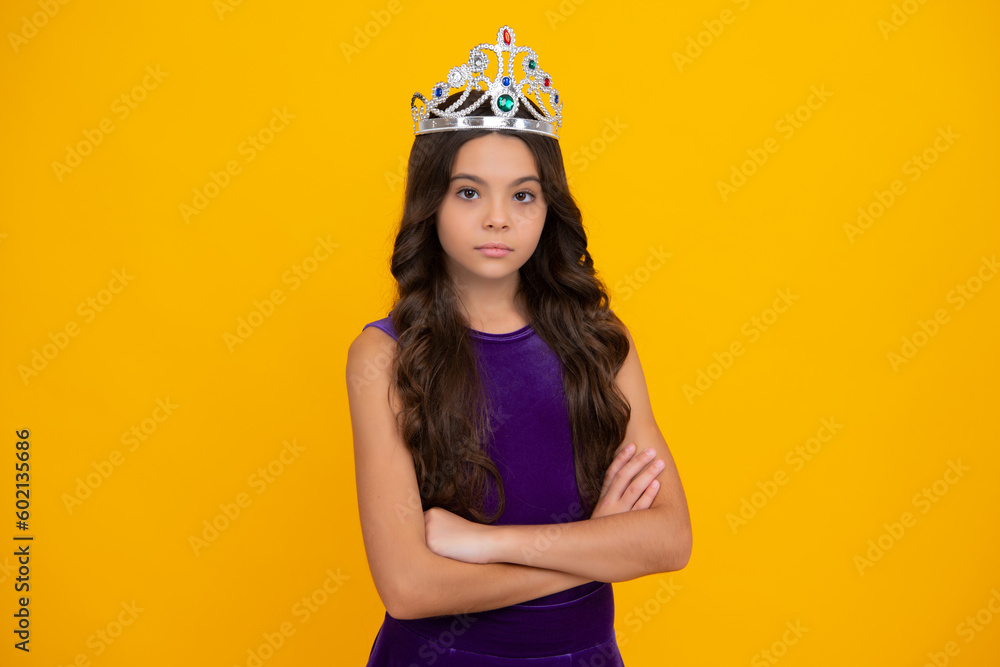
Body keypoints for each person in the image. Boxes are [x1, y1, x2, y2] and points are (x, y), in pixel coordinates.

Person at [345, 24, 692, 666]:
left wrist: (480, 544)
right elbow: (410, 588)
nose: (498, 217)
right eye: (469, 192)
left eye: (523, 195)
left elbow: (669, 539)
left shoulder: (599, 344)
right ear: (433, 204)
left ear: (547, 208)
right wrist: (595, 547)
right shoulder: (385, 357)